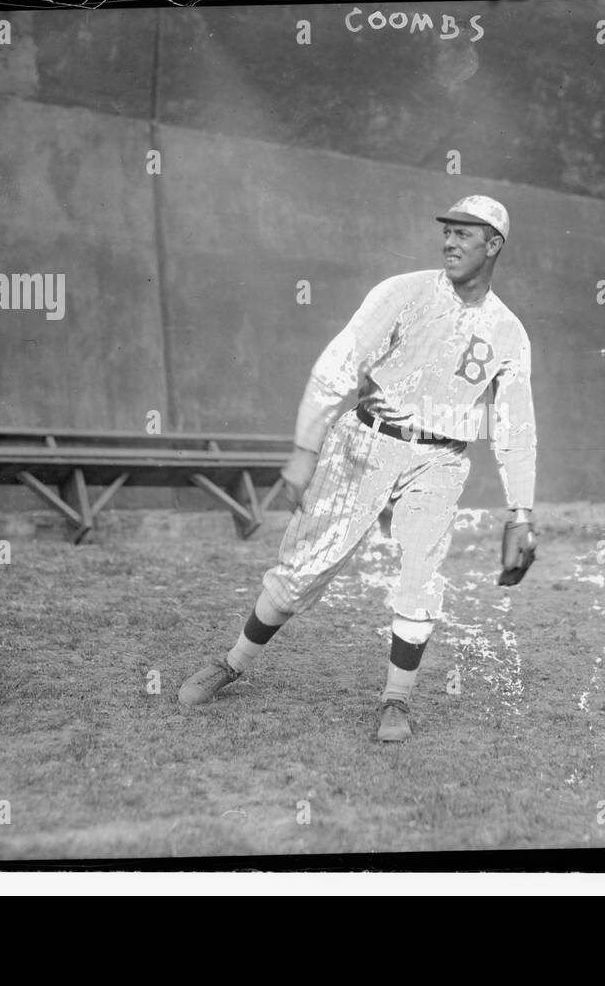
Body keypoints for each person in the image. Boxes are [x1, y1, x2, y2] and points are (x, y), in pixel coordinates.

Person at [178, 196, 538, 742]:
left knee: (422, 575)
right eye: (448, 231)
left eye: (466, 234)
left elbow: (515, 425)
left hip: (440, 459)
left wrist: (521, 514)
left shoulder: (508, 331)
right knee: (303, 568)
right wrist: (305, 449)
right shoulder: (404, 292)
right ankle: (234, 662)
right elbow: (337, 365)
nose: (450, 241)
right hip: (366, 442)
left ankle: (396, 701)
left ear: (494, 246)